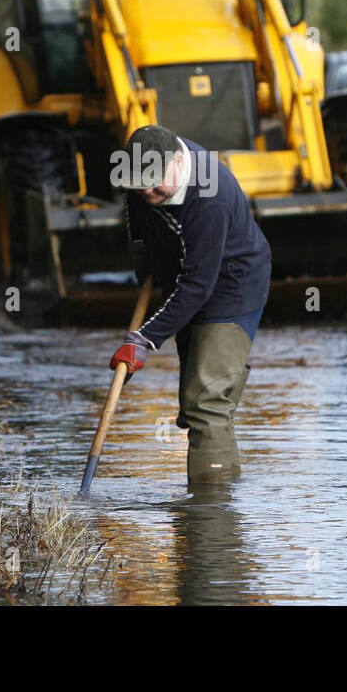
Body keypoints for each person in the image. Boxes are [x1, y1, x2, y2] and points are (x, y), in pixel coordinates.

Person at [110, 124, 272, 485]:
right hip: (183, 272)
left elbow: (200, 284)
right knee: (193, 405)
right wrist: (143, 256)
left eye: (156, 183)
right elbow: (136, 215)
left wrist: (144, 340)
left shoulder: (208, 194)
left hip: (232, 281)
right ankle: (222, 496)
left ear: (179, 161)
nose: (149, 192)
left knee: (207, 402)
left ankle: (209, 513)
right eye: (141, 183)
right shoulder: (137, 175)